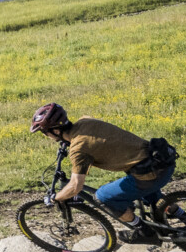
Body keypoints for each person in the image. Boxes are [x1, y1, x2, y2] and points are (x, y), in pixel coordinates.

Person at [31, 102, 178, 242]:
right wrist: (67, 141)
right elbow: (92, 137)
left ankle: (144, 232)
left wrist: (56, 198)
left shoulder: (78, 149)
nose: (46, 136)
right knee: (154, 200)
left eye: (45, 132)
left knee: (103, 196)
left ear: (56, 130)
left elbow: (76, 186)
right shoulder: (85, 121)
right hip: (160, 161)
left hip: (150, 175)